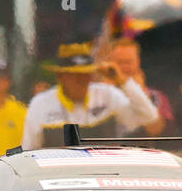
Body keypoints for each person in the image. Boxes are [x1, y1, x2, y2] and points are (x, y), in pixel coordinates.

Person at [21, 42, 159, 150]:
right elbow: (28, 152)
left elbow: (149, 117)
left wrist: (123, 81)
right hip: (61, 180)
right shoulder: (41, 104)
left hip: (105, 178)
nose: (81, 80)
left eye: (86, 74)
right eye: (74, 75)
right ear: (60, 77)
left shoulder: (108, 95)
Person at [106, 37, 174, 135]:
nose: (124, 67)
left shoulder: (156, 97)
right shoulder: (99, 94)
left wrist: (140, 93)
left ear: (138, 62)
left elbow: (155, 129)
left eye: (128, 62)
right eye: (119, 62)